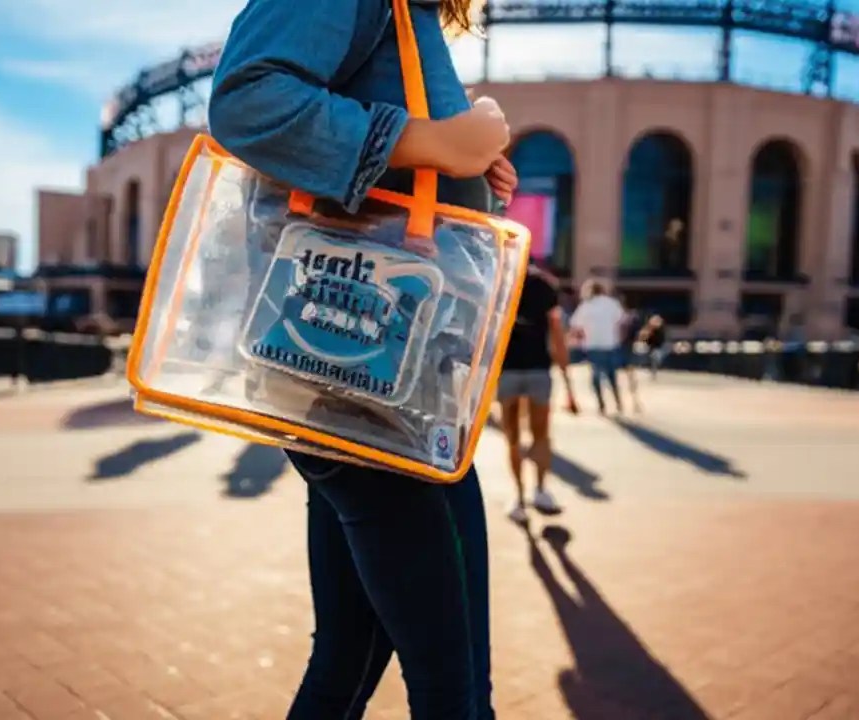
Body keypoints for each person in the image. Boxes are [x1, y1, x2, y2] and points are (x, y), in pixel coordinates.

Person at [208, 1, 509, 716]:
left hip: (384, 378)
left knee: (350, 655)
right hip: (359, 374)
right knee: (454, 687)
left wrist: (463, 163)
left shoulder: (411, 12)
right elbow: (248, 99)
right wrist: (429, 139)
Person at [496, 266, 578, 525]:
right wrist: (568, 384)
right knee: (540, 435)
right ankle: (540, 490)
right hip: (538, 369)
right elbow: (556, 334)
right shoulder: (544, 286)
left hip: (506, 370)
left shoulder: (499, 280)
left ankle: (519, 498)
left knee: (512, 438)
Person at [569, 280, 625, 415]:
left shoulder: (586, 305)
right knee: (611, 374)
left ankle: (601, 403)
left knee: (596, 373)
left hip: (592, 343)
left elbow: (575, 324)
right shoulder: (612, 303)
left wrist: (577, 337)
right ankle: (617, 400)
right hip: (610, 343)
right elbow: (621, 320)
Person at [615, 295, 644, 413]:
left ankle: (627, 402)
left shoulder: (624, 317)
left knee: (623, 376)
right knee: (629, 376)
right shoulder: (630, 316)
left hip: (622, 347)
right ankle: (632, 402)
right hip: (626, 347)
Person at [640, 314, 667, 381]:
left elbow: (662, 339)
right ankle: (652, 372)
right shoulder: (649, 329)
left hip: (658, 347)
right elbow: (644, 338)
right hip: (651, 347)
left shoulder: (661, 330)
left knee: (655, 359)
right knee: (653, 359)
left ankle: (653, 371)